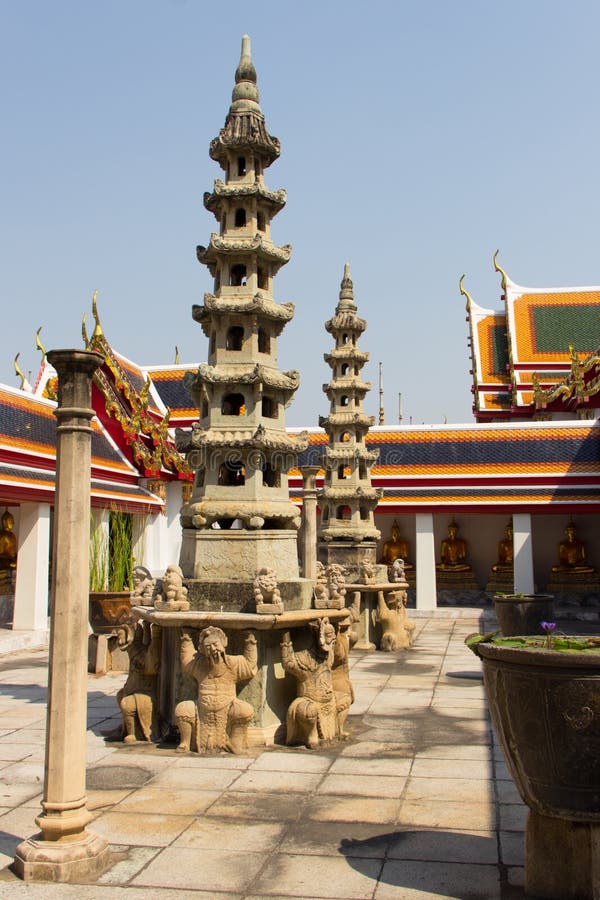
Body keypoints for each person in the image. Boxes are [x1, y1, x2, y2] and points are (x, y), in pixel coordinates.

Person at [175, 626, 257, 753]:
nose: (213, 649)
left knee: (245, 710)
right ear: (202, 650)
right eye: (208, 647)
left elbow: (249, 665)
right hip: (202, 709)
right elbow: (187, 660)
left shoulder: (234, 663)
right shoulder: (199, 664)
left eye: (215, 644)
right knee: (182, 709)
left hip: (228, 707)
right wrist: (186, 638)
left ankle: (235, 742)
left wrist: (250, 641)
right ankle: (185, 742)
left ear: (224, 643)